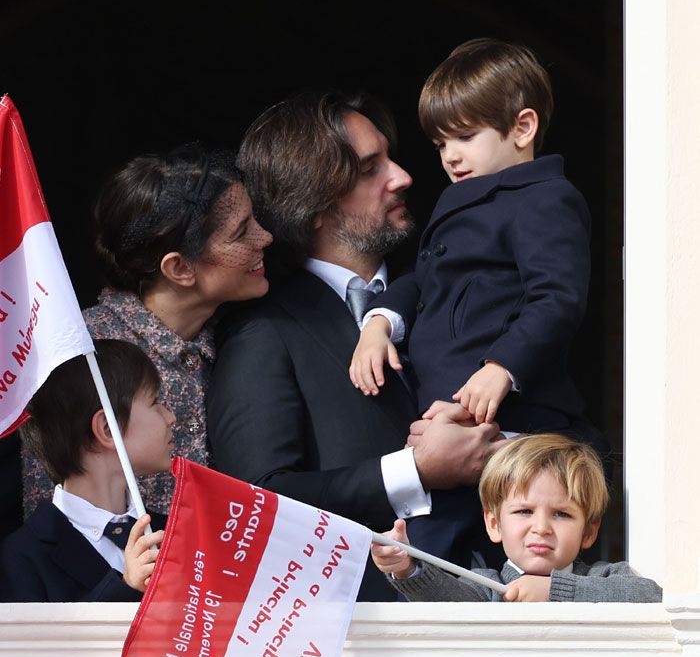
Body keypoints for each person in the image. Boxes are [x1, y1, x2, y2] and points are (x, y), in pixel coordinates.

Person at [208, 91, 504, 552]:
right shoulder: (264, 331)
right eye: (371, 170)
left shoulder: (461, 283)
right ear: (313, 205)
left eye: (391, 158)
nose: (403, 177)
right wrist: (414, 471)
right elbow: (255, 504)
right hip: (370, 615)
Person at [350, 39, 604, 565]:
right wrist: (378, 322)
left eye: (465, 136)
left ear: (522, 127)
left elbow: (555, 298)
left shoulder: (544, 198)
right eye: (442, 143)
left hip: (514, 421)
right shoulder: (458, 202)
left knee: (523, 546)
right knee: (434, 551)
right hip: (449, 421)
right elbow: (423, 281)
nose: (450, 156)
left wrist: (503, 367)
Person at [22, 143, 272, 517]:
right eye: (241, 234)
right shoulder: (83, 357)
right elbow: (54, 522)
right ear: (180, 269)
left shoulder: (240, 335)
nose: (265, 237)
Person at [373, 433, 661, 603]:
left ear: (588, 531)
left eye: (561, 514)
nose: (541, 528)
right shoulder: (485, 586)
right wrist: (406, 567)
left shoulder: (601, 577)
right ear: (494, 524)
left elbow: (647, 594)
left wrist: (552, 591)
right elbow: (446, 598)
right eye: (524, 511)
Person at [0, 340, 173, 603]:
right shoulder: (21, 558)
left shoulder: (173, 532)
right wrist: (126, 588)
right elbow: (49, 643)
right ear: (106, 428)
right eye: (155, 402)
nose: (170, 417)